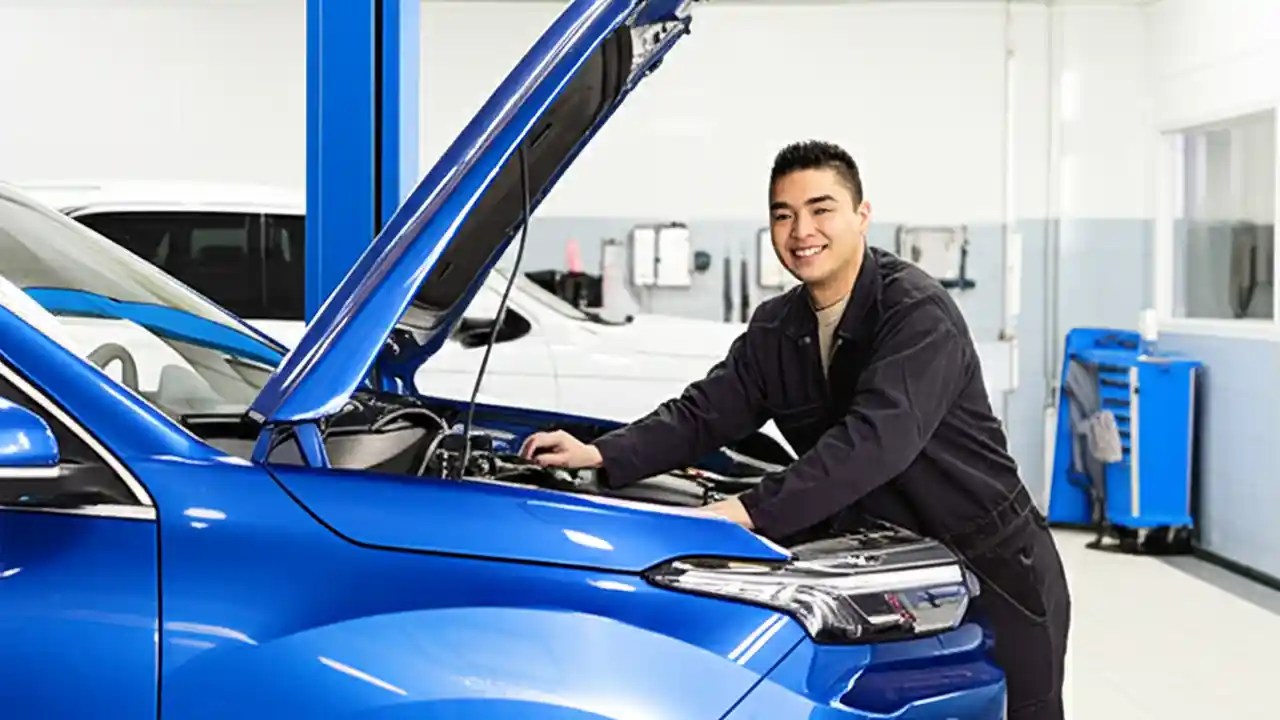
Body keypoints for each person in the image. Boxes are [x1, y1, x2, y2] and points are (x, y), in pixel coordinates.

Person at [520, 139, 1071, 719]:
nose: (801, 229)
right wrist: (601, 453)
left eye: (821, 209)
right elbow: (706, 411)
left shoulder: (915, 312)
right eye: (783, 215)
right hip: (889, 568)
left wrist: (744, 511)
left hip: (994, 563)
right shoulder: (777, 326)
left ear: (862, 215)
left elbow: (873, 443)